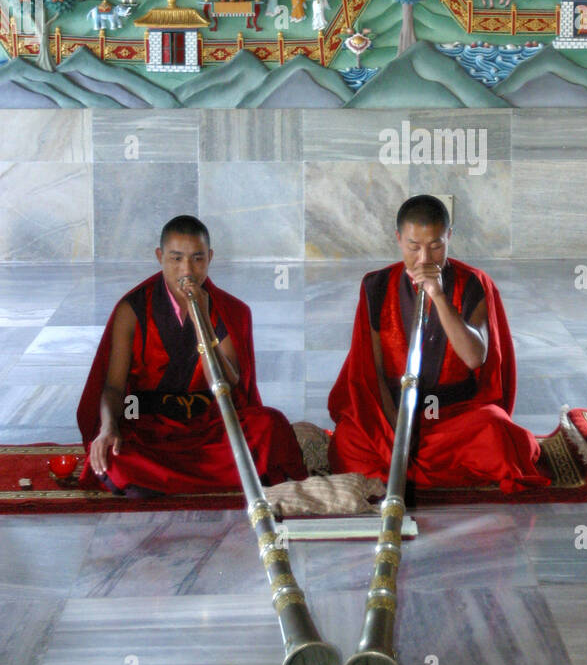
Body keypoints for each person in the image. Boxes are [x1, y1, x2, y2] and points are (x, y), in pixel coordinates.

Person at [328, 195, 549, 492]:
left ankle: (408, 467)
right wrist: (397, 432)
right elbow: (373, 371)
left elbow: (474, 357)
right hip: (395, 414)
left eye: (436, 246)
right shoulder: (376, 286)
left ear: (449, 237)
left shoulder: (473, 282)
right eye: (413, 247)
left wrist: (440, 297)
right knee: (347, 442)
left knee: (499, 434)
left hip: (454, 416)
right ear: (398, 239)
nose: (425, 259)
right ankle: (412, 460)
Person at [78, 216, 306, 495]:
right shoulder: (133, 309)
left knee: (272, 425)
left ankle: (165, 482)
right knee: (114, 455)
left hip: (210, 424)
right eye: (176, 259)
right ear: (159, 257)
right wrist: (108, 428)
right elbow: (113, 387)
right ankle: (218, 478)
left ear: (210, 258)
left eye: (197, 259)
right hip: (150, 427)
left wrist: (202, 323)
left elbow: (226, 382)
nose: (187, 270)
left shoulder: (229, 309)